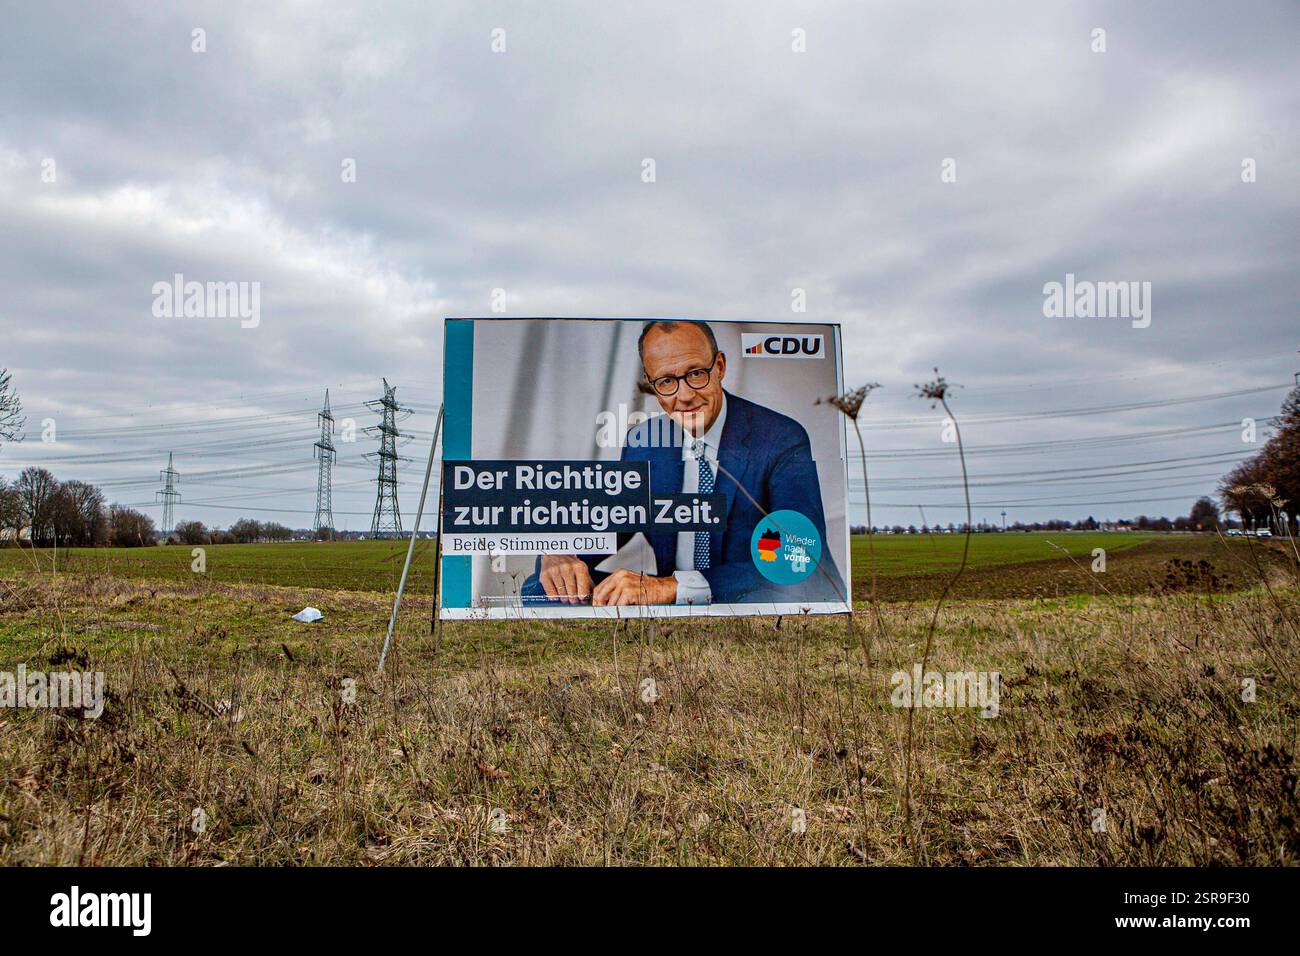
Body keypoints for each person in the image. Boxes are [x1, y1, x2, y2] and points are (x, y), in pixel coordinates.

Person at [523, 319, 844, 606]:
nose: (685, 395)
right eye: (666, 381)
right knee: (541, 586)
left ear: (719, 367)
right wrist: (562, 552)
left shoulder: (781, 437)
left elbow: (798, 556)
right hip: (674, 613)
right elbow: (606, 524)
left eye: (696, 374)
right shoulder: (644, 443)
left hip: (751, 599)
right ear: (652, 384)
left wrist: (674, 587)